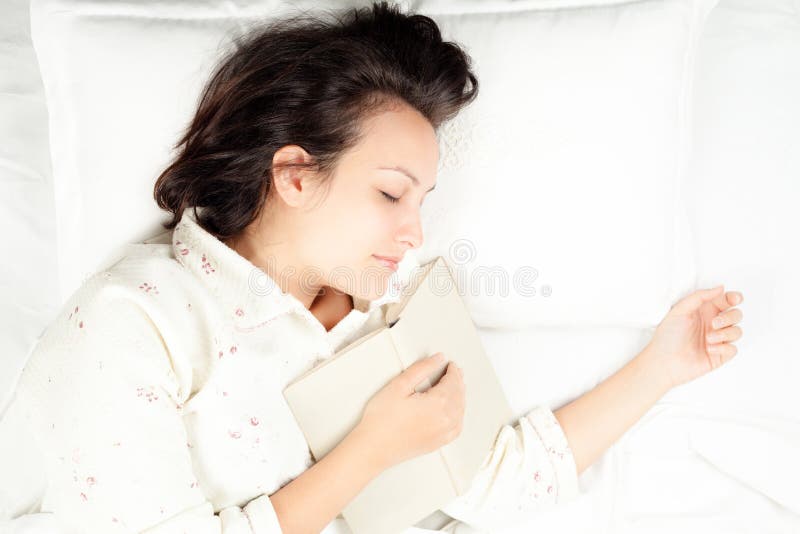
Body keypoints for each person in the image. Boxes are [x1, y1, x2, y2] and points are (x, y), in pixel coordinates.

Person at [0, 2, 745, 533]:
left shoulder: (381, 325)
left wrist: (664, 365)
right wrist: (368, 452)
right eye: (391, 192)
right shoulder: (136, 316)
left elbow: (496, 480)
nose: (415, 230)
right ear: (294, 175)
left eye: (422, 198)